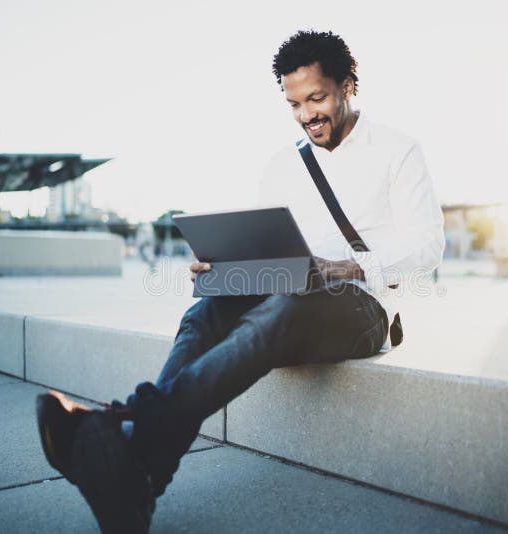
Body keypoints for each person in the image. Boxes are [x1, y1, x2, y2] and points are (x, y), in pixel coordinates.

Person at [36, 30, 445, 533]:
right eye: (293, 103)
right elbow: (270, 246)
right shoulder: (283, 164)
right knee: (205, 312)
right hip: (289, 293)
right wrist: (226, 266)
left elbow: (428, 245)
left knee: (283, 309)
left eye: (316, 98)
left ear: (346, 85)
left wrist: (341, 267)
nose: (306, 114)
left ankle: (127, 430)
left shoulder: (398, 149)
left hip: (363, 308)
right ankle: (136, 481)